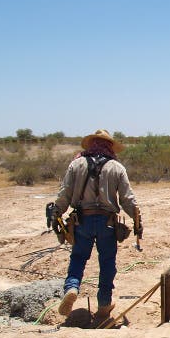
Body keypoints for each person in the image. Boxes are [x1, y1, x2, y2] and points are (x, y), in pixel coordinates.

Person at [52, 129, 141, 321]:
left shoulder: (76, 164)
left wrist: (57, 213)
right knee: (107, 262)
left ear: (92, 144)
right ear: (110, 146)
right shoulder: (116, 167)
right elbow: (127, 199)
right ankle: (104, 304)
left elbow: (65, 194)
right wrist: (137, 220)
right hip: (107, 223)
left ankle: (72, 288)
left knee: (78, 258)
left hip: (81, 221)